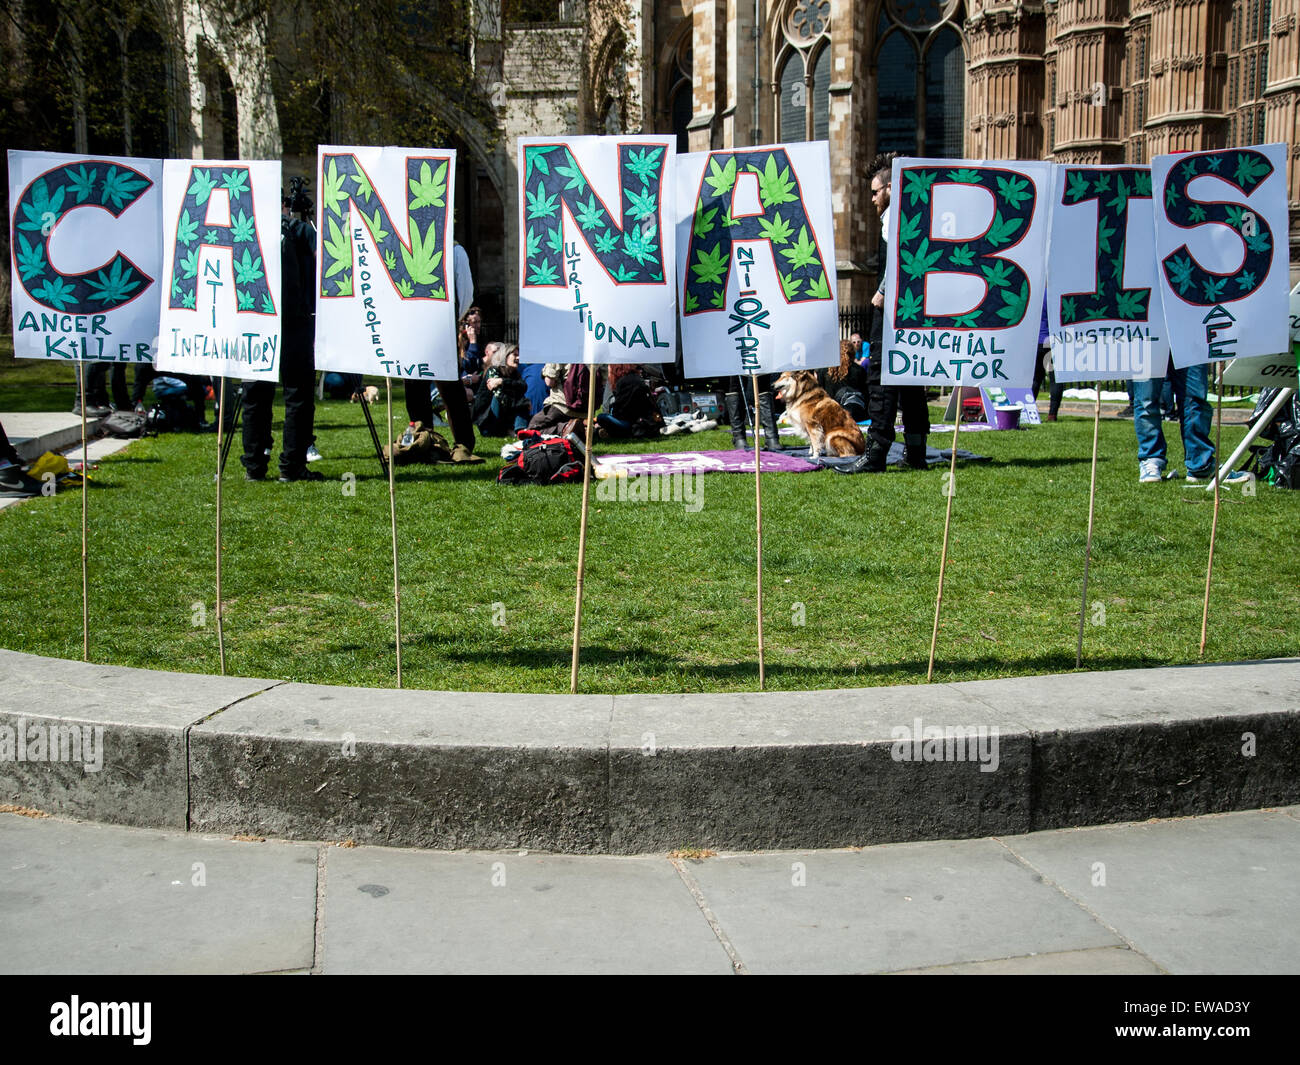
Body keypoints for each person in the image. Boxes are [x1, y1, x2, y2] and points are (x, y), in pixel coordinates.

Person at [240, 180, 321, 482]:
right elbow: (324, 254)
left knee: (255, 396)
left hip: (255, 319)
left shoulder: (245, 233)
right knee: (297, 395)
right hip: (293, 320)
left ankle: (254, 464)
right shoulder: (295, 230)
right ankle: (292, 464)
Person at [858, 157, 930, 471]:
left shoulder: (893, 218)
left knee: (882, 380)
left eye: (875, 192)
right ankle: (916, 454)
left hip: (891, 312)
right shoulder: (911, 214)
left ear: (890, 187)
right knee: (912, 378)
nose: (872, 198)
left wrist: (883, 292)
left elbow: (900, 255)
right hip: (912, 310)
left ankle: (876, 455)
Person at [403, 244, 482, 463]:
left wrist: (452, 319)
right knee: (416, 384)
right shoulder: (453, 249)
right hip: (420, 324)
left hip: (436, 325)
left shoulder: (454, 249)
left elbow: (465, 294)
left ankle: (460, 442)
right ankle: (424, 437)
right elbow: (466, 293)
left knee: (448, 387)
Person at [1132, 357, 1239, 484]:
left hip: (1189, 338)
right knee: (1146, 401)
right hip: (1151, 339)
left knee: (1195, 399)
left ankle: (1200, 464)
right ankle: (1151, 460)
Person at [471, 344, 531, 436]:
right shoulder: (493, 371)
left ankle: (520, 430)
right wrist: (523, 403)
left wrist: (502, 381)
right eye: (514, 355)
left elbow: (523, 386)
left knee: (519, 396)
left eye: (519, 355)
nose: (518, 358)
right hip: (487, 421)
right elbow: (501, 398)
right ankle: (510, 430)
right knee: (509, 398)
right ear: (505, 356)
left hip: (505, 417)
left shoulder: (515, 374)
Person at [595, 364, 664, 440]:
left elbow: (619, 411)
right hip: (642, 420)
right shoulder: (639, 379)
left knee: (601, 417)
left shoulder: (622, 382)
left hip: (629, 422)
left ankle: (605, 431)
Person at [817, 339, 870, 423]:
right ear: (853, 353)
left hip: (831, 413)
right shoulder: (859, 370)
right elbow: (865, 394)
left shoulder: (823, 371)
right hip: (856, 413)